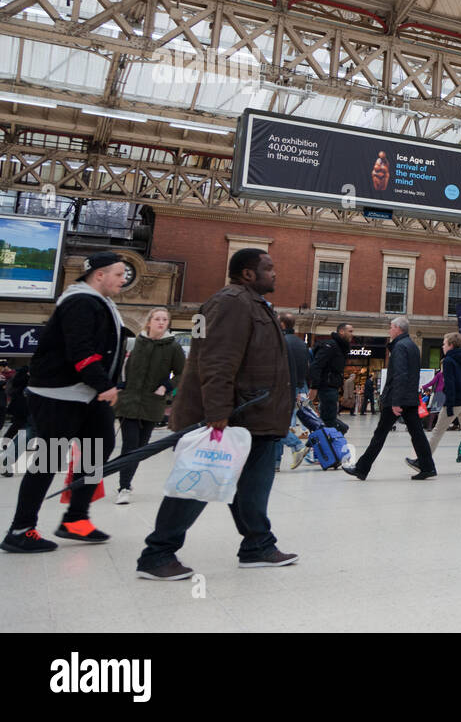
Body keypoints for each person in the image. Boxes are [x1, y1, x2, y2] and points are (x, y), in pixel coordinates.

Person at [136, 248, 298, 578]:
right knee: (198, 484)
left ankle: (257, 545)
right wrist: (217, 411)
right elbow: (217, 360)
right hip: (235, 416)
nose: (275, 273)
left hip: (257, 416)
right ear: (248, 274)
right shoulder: (231, 303)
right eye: (268, 268)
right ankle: (157, 554)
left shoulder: (252, 303)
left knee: (253, 486)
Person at [2, 252, 127, 554]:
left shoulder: (99, 301)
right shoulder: (80, 302)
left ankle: (75, 518)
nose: (124, 280)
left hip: (85, 394)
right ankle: (20, 530)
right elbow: (80, 350)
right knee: (50, 459)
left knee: (100, 447)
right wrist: (104, 384)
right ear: (100, 275)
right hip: (60, 394)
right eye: (120, 274)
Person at [345, 317, 436, 481]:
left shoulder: (400, 347)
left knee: (380, 434)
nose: (389, 330)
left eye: (391, 327)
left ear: (398, 329)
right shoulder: (412, 346)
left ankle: (361, 469)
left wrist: (396, 401)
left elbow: (400, 375)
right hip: (409, 398)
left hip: (398, 398)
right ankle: (428, 466)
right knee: (417, 433)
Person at [113, 307, 186, 503]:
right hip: (128, 402)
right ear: (149, 322)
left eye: (164, 319)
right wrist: (119, 386)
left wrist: (166, 386)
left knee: (140, 448)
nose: (161, 322)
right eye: (157, 319)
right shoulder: (135, 343)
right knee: (130, 446)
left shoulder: (173, 347)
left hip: (152, 404)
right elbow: (122, 367)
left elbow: (182, 373)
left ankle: (126, 481)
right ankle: (124, 486)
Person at [419, 331, 461, 470]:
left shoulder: (448, 360)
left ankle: (423, 461)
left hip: (454, 402)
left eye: (444, 344)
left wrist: (449, 405)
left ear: (450, 345)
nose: (442, 346)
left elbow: (449, 384)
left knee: (438, 431)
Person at [275, 313, 311, 471]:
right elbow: (307, 367)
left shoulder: (281, 342)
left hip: (285, 388)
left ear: (282, 324)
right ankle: (276, 462)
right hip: (301, 388)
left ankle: (296, 447)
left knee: (277, 424)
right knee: (297, 421)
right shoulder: (301, 344)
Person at [308, 322, 353, 430]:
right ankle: (323, 443)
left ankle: (321, 443)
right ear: (341, 332)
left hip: (332, 388)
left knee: (328, 420)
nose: (352, 334)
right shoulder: (331, 346)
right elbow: (316, 366)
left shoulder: (340, 347)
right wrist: (314, 387)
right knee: (330, 421)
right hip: (327, 388)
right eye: (350, 331)